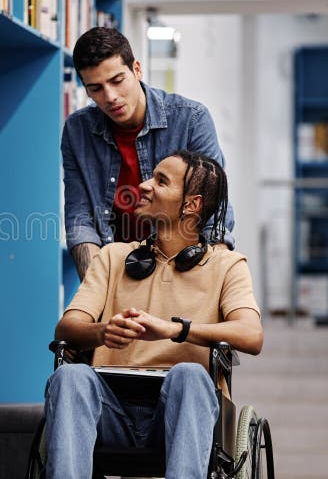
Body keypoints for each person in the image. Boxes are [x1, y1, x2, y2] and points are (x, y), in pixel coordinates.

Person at [45, 151, 263, 478]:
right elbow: (67, 326)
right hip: (109, 413)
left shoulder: (227, 266)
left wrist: (175, 330)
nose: (144, 185)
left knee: (190, 374)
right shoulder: (113, 257)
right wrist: (102, 332)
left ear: (191, 205)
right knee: (70, 376)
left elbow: (252, 335)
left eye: (161, 181)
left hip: (181, 416)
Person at [63, 26, 236, 280]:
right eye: (96, 88)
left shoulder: (191, 119)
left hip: (182, 266)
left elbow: (214, 207)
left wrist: (208, 280)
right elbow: (80, 217)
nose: (110, 97)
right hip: (116, 269)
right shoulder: (77, 129)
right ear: (86, 90)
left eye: (117, 80)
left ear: (137, 70)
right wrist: (96, 288)